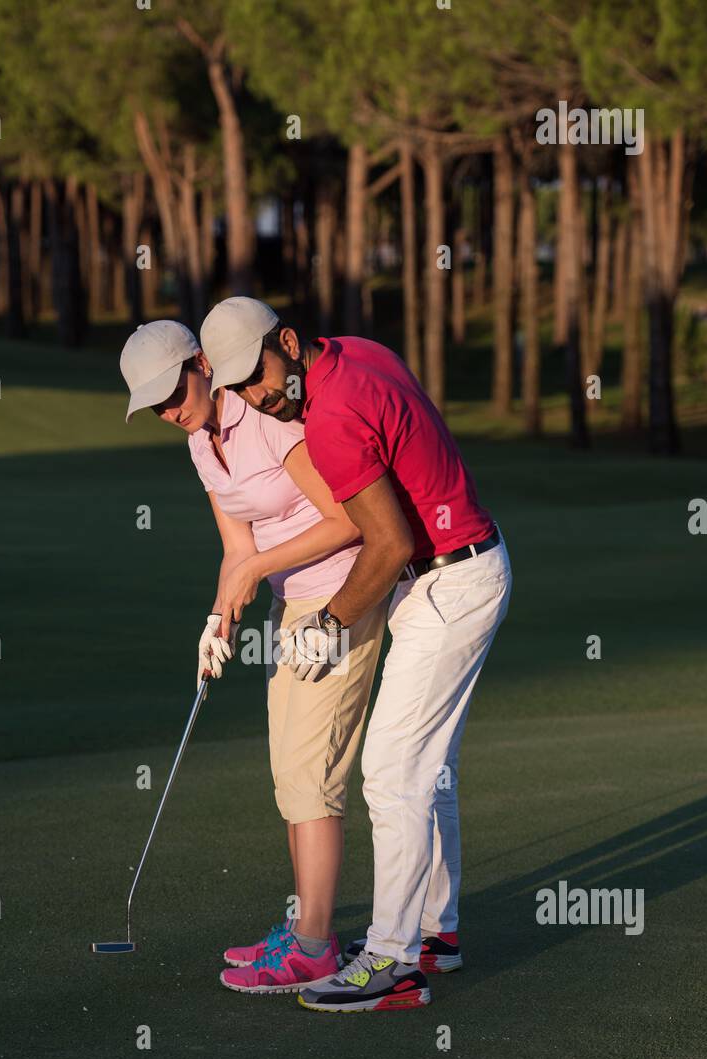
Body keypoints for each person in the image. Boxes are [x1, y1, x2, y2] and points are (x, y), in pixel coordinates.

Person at [202, 297, 512, 1013]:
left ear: (286, 340)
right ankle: (438, 934)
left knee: (390, 773)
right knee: (429, 772)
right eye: (242, 387)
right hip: (461, 566)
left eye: (261, 376)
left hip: (445, 583)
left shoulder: (331, 420)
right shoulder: (357, 348)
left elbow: (388, 542)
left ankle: (392, 961)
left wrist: (330, 622)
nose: (259, 395)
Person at [119, 318, 387, 995]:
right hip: (286, 607)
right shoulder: (201, 445)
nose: (170, 410)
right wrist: (217, 619)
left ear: (202, 365)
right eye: (155, 405)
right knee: (287, 776)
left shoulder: (263, 417)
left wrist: (256, 569)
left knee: (313, 774)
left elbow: (348, 519)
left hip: (339, 602)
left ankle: (315, 947)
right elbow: (238, 551)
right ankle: (301, 930)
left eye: (173, 391)